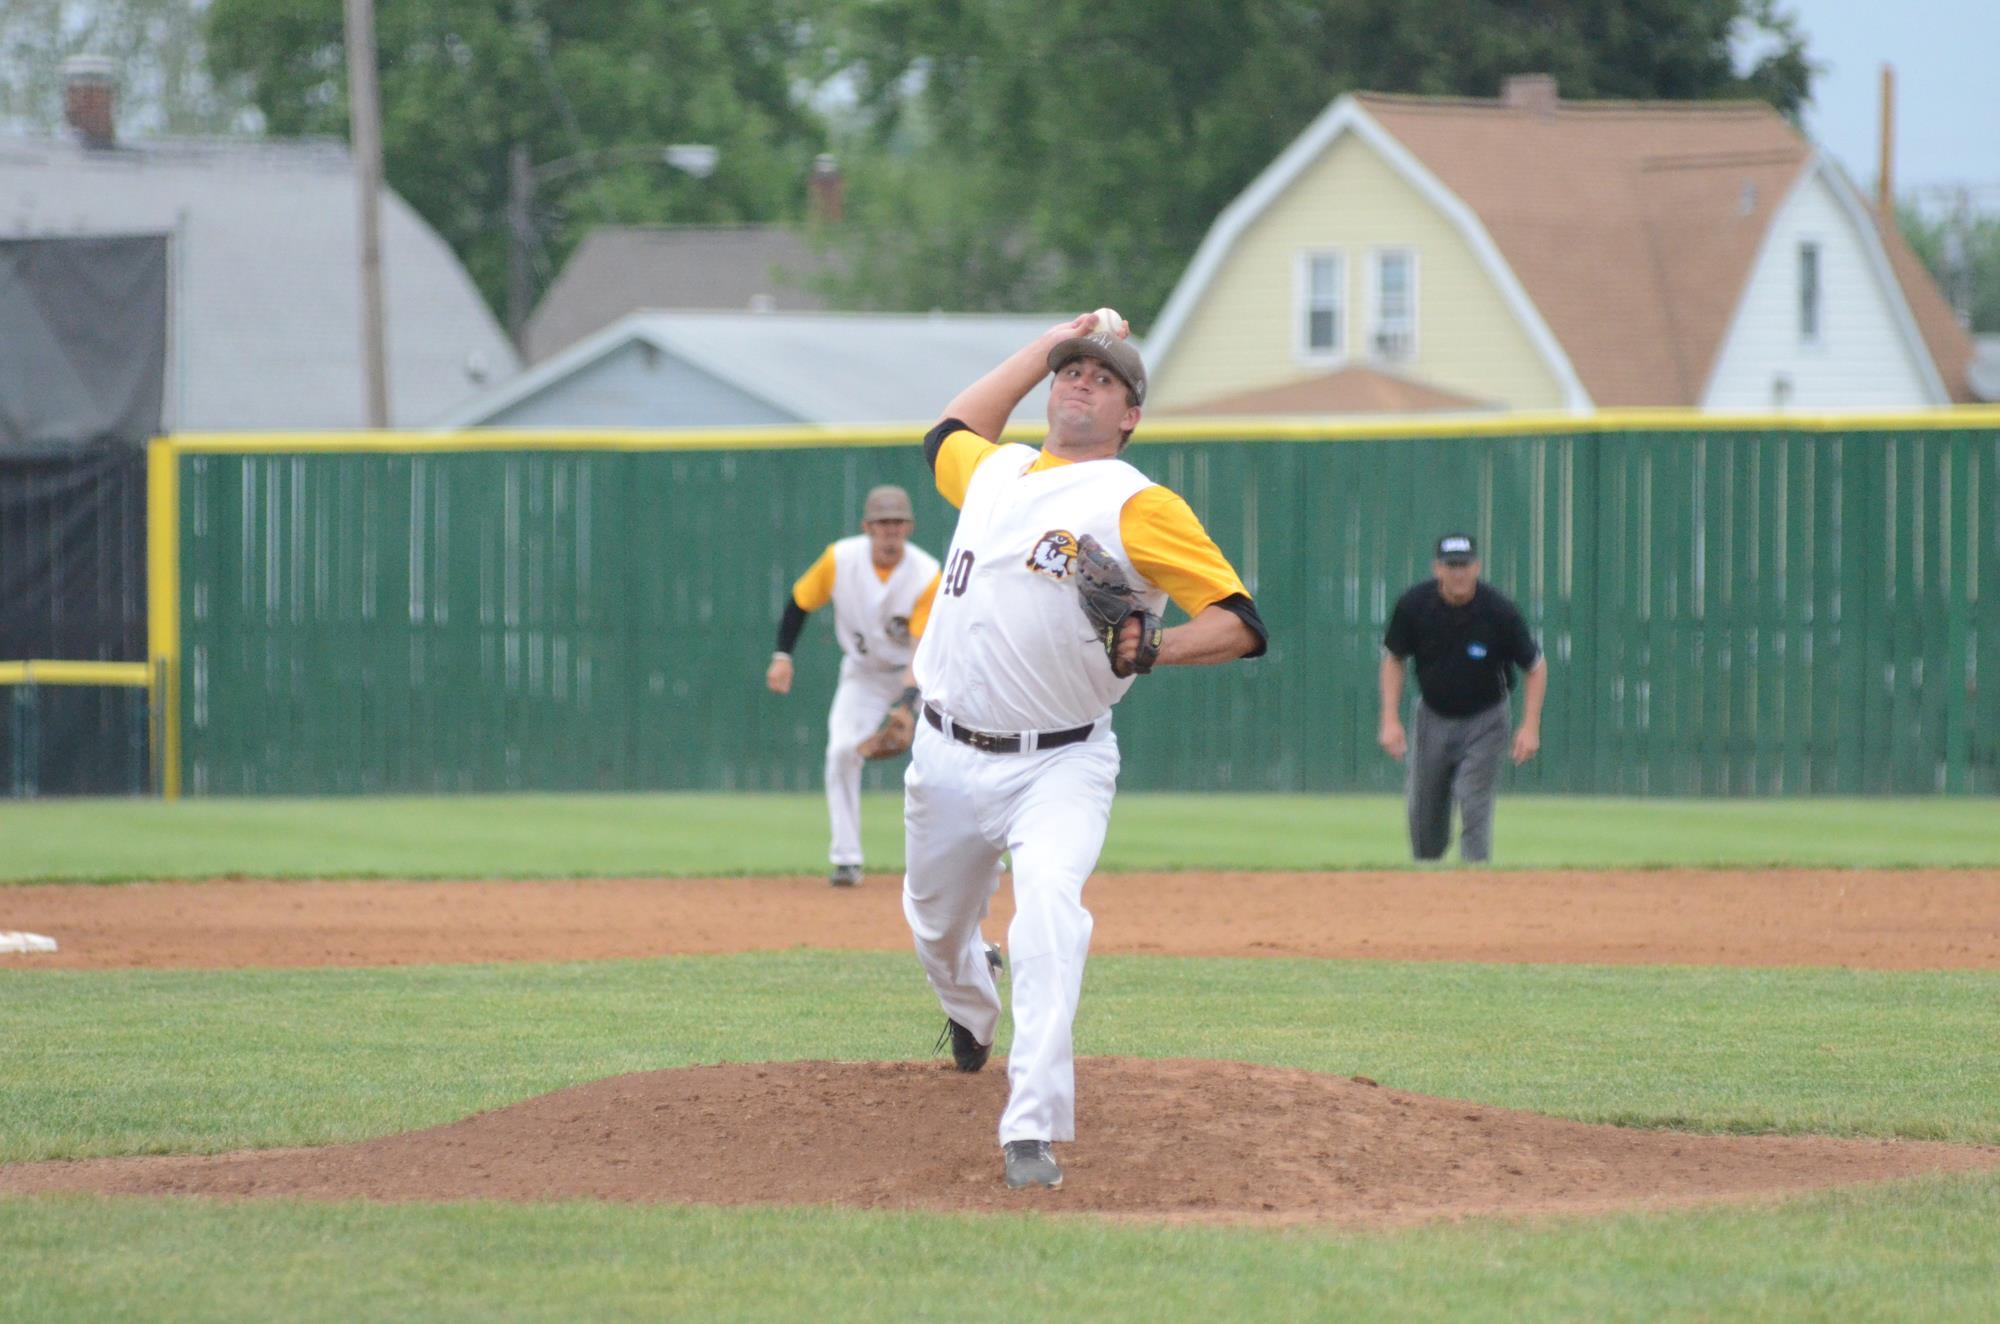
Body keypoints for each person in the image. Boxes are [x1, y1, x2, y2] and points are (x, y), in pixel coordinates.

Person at [903, 311, 1267, 1191]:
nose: (1078, 383)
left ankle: (1031, 1128)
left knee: (1051, 919)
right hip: (946, 753)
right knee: (936, 930)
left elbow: (1242, 622)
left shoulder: (1137, 503)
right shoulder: (994, 472)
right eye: (1071, 372)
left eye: (1101, 378)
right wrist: (1050, 341)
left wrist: (1159, 647)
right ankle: (971, 1007)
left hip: (1059, 763)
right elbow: (944, 431)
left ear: (1130, 414)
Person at [767, 485, 941, 887]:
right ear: (867, 526)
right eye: (883, 522)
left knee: (944, 765)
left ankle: (959, 863)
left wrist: (909, 703)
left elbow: (923, 649)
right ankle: (847, 859)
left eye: (898, 522)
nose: (890, 530)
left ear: (909, 527)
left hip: (918, 671)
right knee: (842, 752)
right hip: (863, 673)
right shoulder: (840, 559)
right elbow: (799, 602)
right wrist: (782, 656)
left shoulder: (927, 573)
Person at [1377, 533, 1547, 863]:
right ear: (1437, 568)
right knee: (1425, 811)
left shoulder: (1498, 611)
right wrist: (1389, 719)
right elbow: (1393, 658)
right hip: (1433, 717)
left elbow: (1536, 666)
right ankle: (1429, 875)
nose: (1458, 573)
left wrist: (1530, 726)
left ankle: (1476, 879)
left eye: (1465, 565)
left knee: (1473, 798)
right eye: (1451, 565)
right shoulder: (1414, 605)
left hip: (1486, 719)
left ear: (1477, 567)